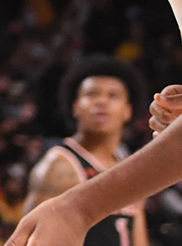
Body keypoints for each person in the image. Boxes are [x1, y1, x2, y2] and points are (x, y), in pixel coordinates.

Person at [23, 56, 146, 246]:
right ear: (75, 107)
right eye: (92, 94)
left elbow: (137, 237)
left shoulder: (129, 163)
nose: (101, 102)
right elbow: (32, 240)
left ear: (128, 111)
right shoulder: (59, 166)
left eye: (113, 96)